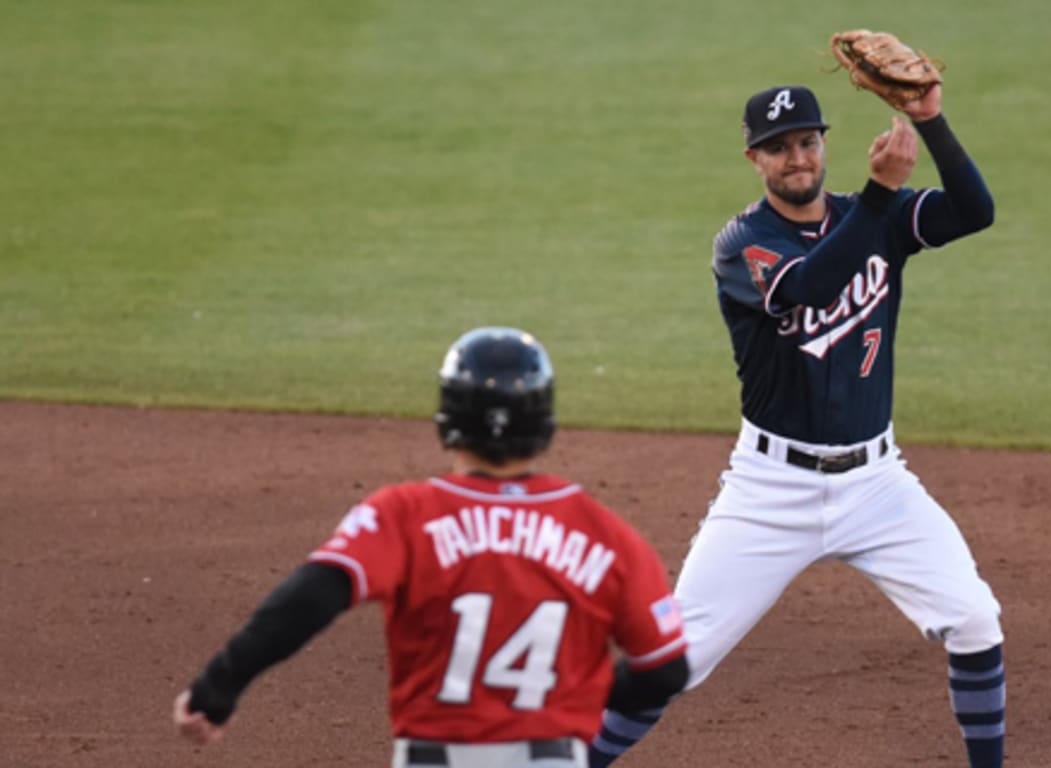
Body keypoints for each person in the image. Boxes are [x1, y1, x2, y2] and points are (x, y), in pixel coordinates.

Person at [589, 81, 1004, 766]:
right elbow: (808, 286)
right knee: (676, 663)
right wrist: (877, 195)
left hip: (878, 485)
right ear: (753, 158)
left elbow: (976, 211)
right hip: (769, 492)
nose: (796, 158)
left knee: (974, 619)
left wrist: (930, 121)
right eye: (778, 148)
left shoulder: (879, 214)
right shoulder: (743, 242)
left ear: (823, 145)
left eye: (807, 142)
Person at [173, 327, 690, 768]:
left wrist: (218, 688)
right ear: (544, 424)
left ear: (448, 418)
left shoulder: (405, 514)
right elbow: (665, 670)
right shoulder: (607, 535)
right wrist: (580, 687)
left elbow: (312, 594)